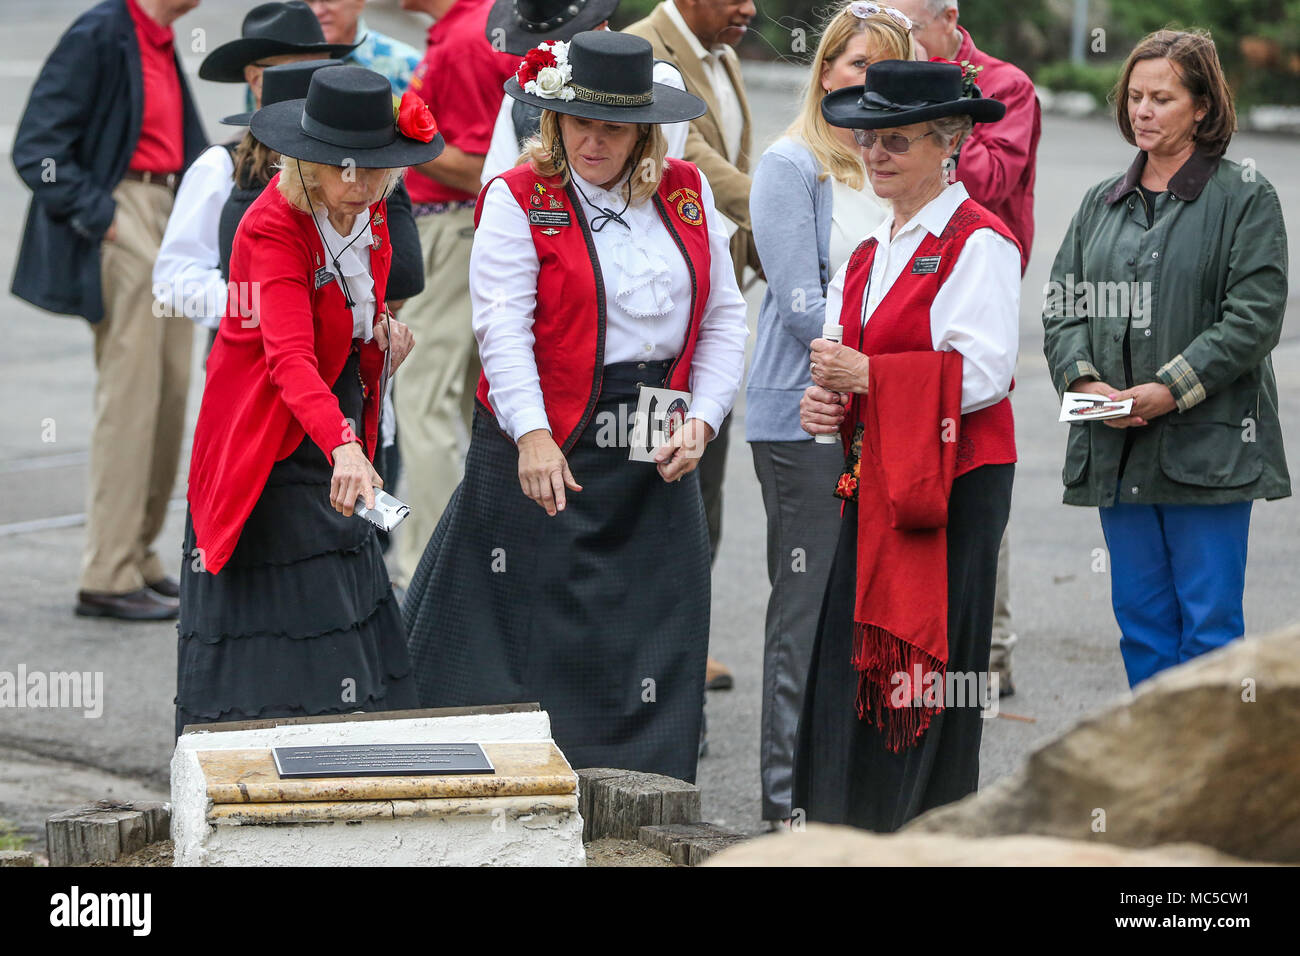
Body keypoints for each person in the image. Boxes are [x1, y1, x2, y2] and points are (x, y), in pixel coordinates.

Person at [402, 31, 748, 783]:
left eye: (614, 127)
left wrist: (706, 416)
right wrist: (530, 435)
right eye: (579, 122)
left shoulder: (686, 192)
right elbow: (501, 327)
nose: (594, 140)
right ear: (553, 122)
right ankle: (511, 796)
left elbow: (724, 318)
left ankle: (639, 799)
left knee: (652, 630)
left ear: (644, 132)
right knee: (527, 634)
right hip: (545, 436)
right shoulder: (517, 197)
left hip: (656, 434)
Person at [176, 66, 442, 735]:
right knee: (296, 612)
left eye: (371, 170)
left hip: (331, 418)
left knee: (348, 599)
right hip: (269, 430)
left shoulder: (370, 206)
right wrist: (345, 445)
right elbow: (288, 361)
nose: (356, 186)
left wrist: (378, 335)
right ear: (308, 160)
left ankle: (358, 769)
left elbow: (354, 313)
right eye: (340, 170)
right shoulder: (272, 227)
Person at [793, 59, 1019, 830]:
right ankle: (849, 822)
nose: (875, 153)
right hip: (881, 471)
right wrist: (828, 397)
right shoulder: (866, 251)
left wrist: (869, 376)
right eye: (867, 138)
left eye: (896, 140)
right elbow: (842, 359)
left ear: (949, 141)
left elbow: (986, 373)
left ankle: (921, 826)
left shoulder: (979, 240)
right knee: (856, 650)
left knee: (933, 665)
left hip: (953, 480)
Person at [1042, 30, 1289, 690]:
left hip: (1208, 451)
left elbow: (1254, 317)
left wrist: (1167, 390)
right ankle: (1153, 779)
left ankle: (1212, 788)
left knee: (1209, 631)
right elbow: (1064, 304)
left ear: (1203, 107)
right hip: (1116, 447)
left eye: (1162, 97)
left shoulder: (1245, 196)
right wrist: (1086, 381)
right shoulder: (1101, 202)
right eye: (1134, 96)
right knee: (1143, 622)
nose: (1142, 110)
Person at [747, 2, 912, 826]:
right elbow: (799, 300)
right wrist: (877, 359)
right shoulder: (793, 163)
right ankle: (784, 809)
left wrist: (887, 374)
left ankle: (842, 796)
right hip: (804, 420)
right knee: (805, 614)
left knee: (864, 610)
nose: (866, 82)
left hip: (877, 408)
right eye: (854, 65)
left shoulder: (893, 163)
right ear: (825, 72)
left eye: (884, 68)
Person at [12, 0, 207, 621]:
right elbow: (36, 149)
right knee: (130, 398)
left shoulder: (157, 36)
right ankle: (107, 571)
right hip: (127, 217)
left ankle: (139, 554)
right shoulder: (101, 32)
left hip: (166, 214)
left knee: (171, 393)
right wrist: (106, 220)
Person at [894, 0, 1042, 695]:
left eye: (906, 25)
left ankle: (991, 650)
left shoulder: (1003, 85)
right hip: (901, 285)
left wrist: (929, 103)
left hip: (973, 287)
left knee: (971, 455)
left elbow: (982, 181)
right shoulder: (894, 77)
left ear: (947, 16)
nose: (896, 40)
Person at [624, 0, 761, 692]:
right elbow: (699, 165)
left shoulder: (724, 57)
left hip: (715, 306)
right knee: (655, 487)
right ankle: (645, 653)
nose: (751, 8)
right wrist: (783, 211)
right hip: (654, 330)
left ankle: (682, 637)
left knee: (700, 491)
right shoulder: (641, 50)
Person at [391, 0, 521, 592]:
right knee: (460, 403)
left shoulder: (471, 38)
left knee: (424, 398)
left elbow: (481, 171)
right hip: (455, 228)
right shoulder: (468, 30)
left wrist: (396, 135)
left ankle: (432, 578)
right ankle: (469, 574)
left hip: (451, 226)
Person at [154, 1, 358, 336]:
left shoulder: (348, 160)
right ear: (256, 79)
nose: (310, 87)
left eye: (319, 73)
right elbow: (175, 278)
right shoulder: (221, 165)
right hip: (249, 357)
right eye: (295, 73)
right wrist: (264, 307)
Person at [479, 0, 690, 182]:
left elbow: (654, 180)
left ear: (601, 24)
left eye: (563, 40)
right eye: (541, 43)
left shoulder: (660, 82)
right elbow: (498, 180)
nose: (551, 52)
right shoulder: (523, 90)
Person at [308, 0, 423, 91]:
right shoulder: (291, 61)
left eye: (329, 0)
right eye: (309, 0)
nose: (317, 11)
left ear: (359, 2)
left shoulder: (408, 65)